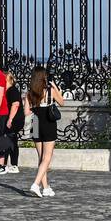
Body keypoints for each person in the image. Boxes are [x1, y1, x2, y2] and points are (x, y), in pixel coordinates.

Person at [28, 65, 64, 198]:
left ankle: (46, 187)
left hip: (36, 122)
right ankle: (36, 184)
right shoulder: (49, 90)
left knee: (41, 157)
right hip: (48, 122)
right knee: (47, 157)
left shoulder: (30, 92)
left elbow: (27, 111)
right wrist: (55, 87)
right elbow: (62, 102)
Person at [0, 70, 23, 174]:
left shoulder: (12, 90)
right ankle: (5, 164)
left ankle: (14, 165)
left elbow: (15, 105)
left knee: (12, 141)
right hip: (12, 119)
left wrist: (10, 119)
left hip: (15, 119)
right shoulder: (9, 91)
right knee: (8, 141)